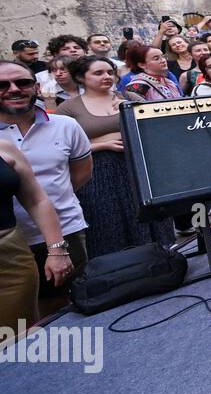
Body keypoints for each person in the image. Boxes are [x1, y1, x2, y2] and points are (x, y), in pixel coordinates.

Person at [59, 56, 176, 260]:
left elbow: (158, 128)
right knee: (107, 220)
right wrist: (100, 145)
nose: (106, 76)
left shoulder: (129, 97)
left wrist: (129, 110)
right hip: (96, 171)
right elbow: (60, 147)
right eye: (98, 73)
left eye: (109, 72)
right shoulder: (69, 108)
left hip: (136, 165)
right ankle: (117, 271)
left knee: (147, 216)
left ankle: (161, 262)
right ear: (81, 77)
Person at [0, 60, 92, 316]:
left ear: (36, 86)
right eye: (2, 84)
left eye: (23, 82)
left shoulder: (65, 125)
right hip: (12, 241)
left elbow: (82, 172)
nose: (14, 89)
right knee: (20, 318)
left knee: (69, 307)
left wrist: (53, 199)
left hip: (66, 230)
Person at [0, 135, 73, 330]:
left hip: (11, 260)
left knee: (18, 342)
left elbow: (37, 201)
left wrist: (58, 251)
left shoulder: (5, 148)